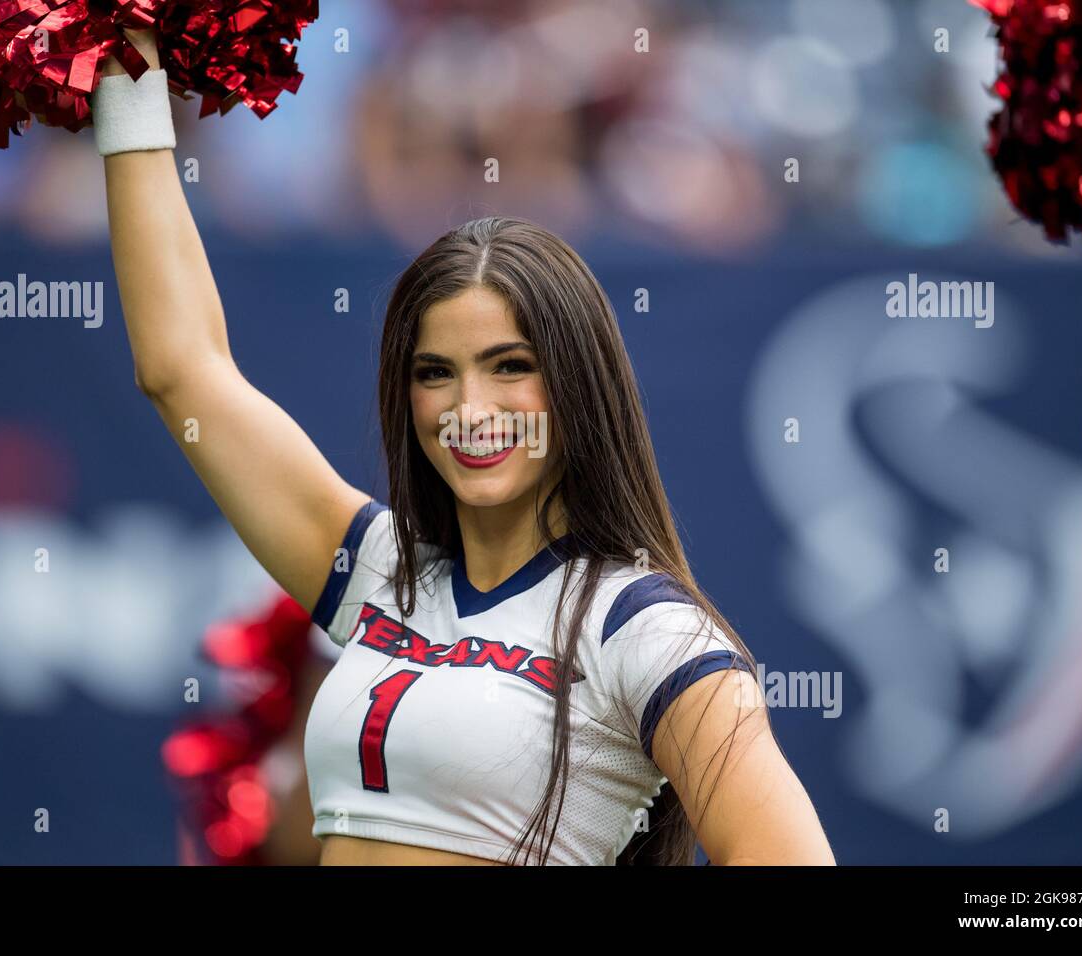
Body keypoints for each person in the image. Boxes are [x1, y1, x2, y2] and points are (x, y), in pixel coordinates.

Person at [94, 27, 834, 866]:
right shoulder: (376, 571)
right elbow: (182, 373)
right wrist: (126, 73)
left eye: (510, 367)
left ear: (578, 385)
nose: (470, 408)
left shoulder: (645, 629)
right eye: (435, 373)